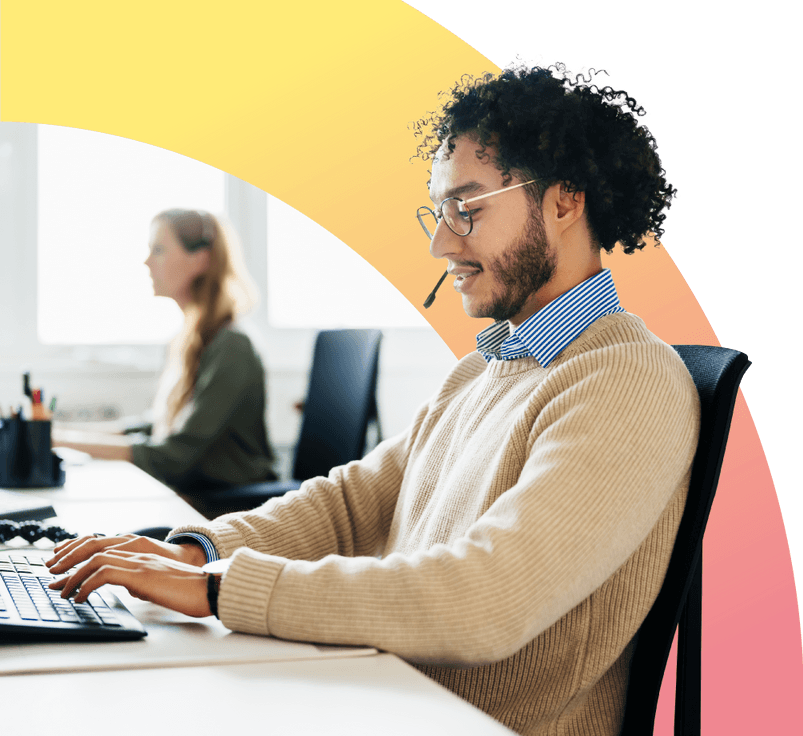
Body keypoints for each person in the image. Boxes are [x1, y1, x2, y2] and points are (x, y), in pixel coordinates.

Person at [47, 56, 700, 736]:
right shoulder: (484, 371)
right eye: (439, 211)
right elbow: (350, 505)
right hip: (387, 697)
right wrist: (197, 553)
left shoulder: (627, 382)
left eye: (466, 209)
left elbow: (486, 600)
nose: (441, 243)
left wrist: (218, 590)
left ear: (565, 200)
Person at [53, 209, 276, 501]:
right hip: (195, 495)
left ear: (201, 259)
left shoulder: (232, 347)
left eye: (158, 249)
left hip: (226, 507)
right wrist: (62, 433)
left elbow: (174, 455)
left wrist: (59, 440)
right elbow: (157, 426)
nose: (146, 262)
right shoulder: (193, 339)